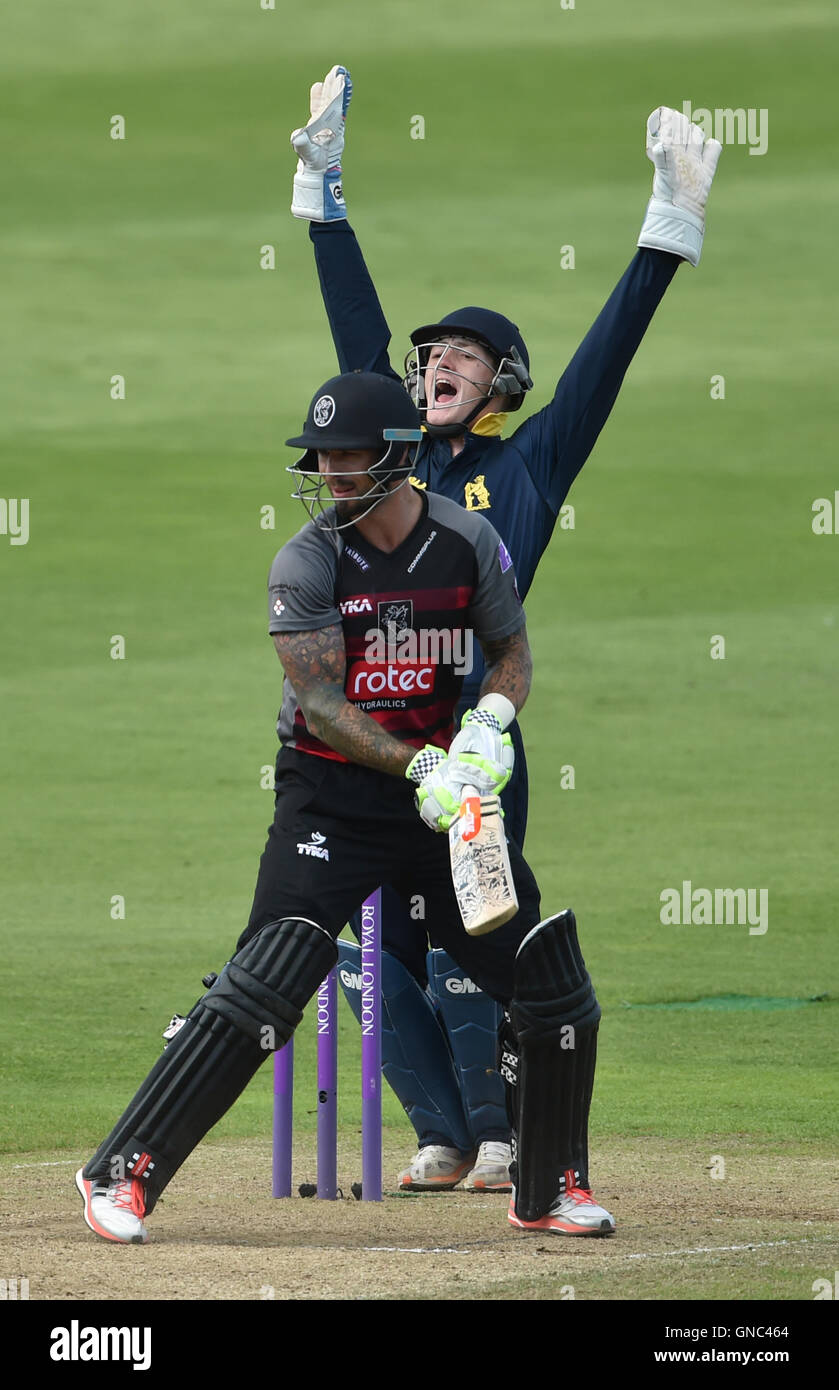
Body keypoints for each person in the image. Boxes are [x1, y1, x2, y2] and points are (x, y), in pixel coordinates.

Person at [289, 68, 722, 1192]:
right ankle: (442, 1130)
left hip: (474, 734)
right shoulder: (390, 455)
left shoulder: (525, 467)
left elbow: (604, 361)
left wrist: (667, 224)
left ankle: (498, 1134)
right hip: (368, 727)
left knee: (471, 924)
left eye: (463, 359)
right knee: (370, 944)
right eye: (430, 355)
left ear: (500, 387)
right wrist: (321, 194)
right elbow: (355, 333)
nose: (437, 364)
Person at [75, 371, 614, 1244]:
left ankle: (548, 1187)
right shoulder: (309, 558)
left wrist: (489, 720)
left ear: (399, 457)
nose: (328, 469)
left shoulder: (467, 540)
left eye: (347, 453)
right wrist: (420, 766)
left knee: (548, 988)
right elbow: (322, 704)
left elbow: (510, 651)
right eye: (319, 453)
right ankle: (121, 1174)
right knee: (267, 981)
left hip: (445, 802)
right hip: (333, 796)